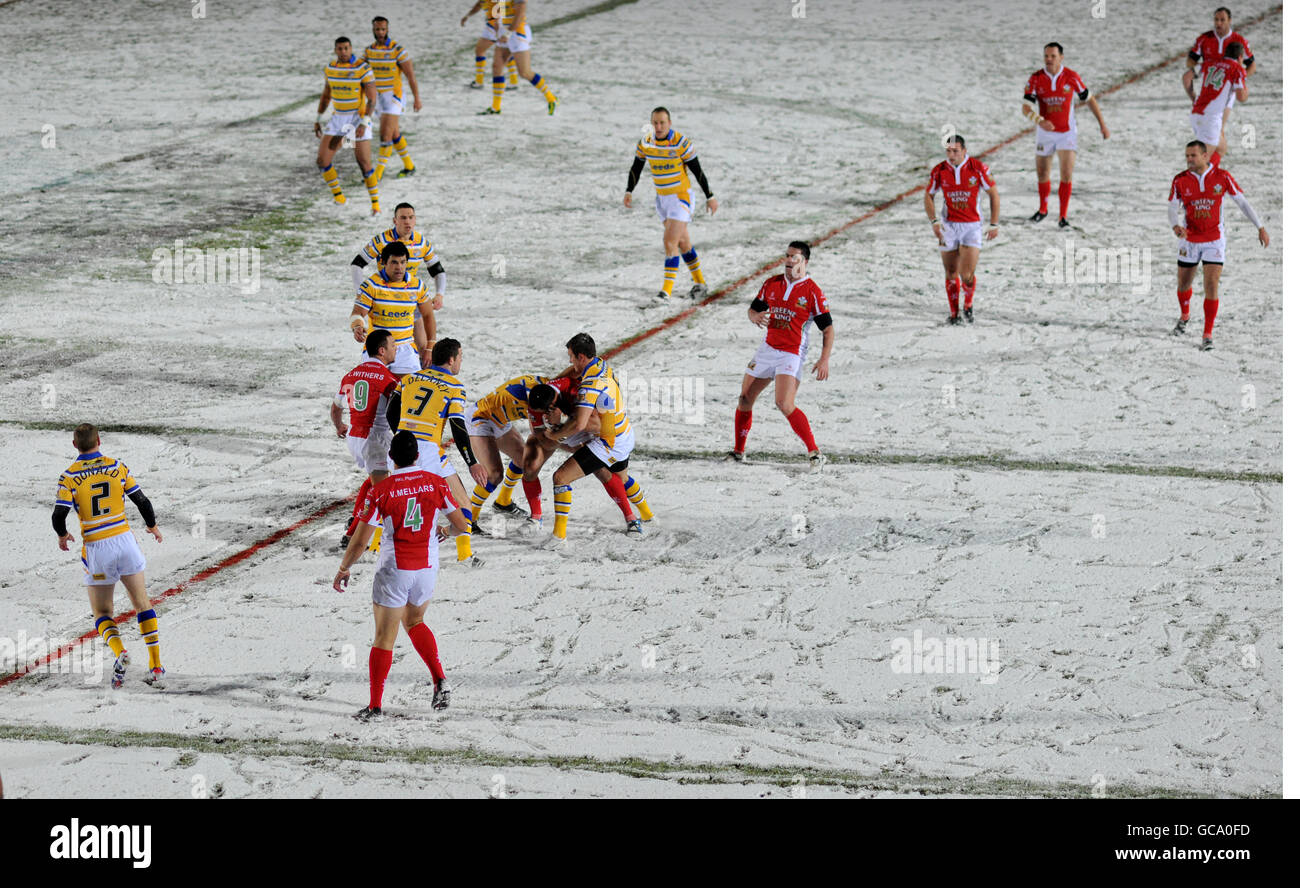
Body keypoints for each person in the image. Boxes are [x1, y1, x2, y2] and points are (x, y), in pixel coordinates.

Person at [335, 430, 468, 718]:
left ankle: (375, 706)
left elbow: (359, 541)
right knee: (416, 620)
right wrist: (446, 531)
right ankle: (439, 680)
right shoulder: (435, 483)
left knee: (384, 637)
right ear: (418, 456)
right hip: (427, 568)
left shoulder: (381, 490)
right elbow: (461, 524)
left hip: (395, 568)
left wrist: (344, 568)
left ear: (391, 458)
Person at [52, 424, 165, 688]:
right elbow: (143, 501)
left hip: (97, 548)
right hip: (125, 542)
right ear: (99, 441)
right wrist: (152, 525)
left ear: (74, 445)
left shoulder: (68, 477)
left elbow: (58, 515)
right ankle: (157, 666)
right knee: (142, 604)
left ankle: (120, 652)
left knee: (102, 612)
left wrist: (62, 534)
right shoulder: (118, 467)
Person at [729, 242, 832, 472]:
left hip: (791, 354)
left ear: (804, 261)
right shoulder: (772, 283)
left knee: (783, 403)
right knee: (744, 399)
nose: (788, 261)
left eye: (793, 257)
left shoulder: (812, 291)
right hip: (767, 349)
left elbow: (828, 329)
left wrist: (824, 359)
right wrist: (754, 316)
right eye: (786, 256)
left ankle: (815, 453)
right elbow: (754, 308)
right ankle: (738, 452)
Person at [386, 338, 490, 562]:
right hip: (428, 451)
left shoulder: (409, 378)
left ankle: (380, 546)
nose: (461, 361)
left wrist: (403, 438)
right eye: (460, 356)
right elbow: (458, 427)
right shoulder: (455, 387)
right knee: (454, 507)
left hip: (401, 447)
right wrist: (472, 462)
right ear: (451, 359)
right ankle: (458, 553)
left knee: (397, 503)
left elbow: (390, 413)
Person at [542, 334, 650, 544]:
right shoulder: (600, 364)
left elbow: (580, 424)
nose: (570, 361)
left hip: (609, 442)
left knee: (561, 478)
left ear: (582, 356)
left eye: (572, 356)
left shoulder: (589, 385)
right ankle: (646, 516)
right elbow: (571, 372)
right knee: (622, 479)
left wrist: (555, 432)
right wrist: (552, 384)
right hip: (624, 431)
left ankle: (558, 537)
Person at [1167, 140, 1268, 351]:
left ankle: (1207, 334)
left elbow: (1242, 202)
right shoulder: (1180, 180)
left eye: (1193, 156)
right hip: (1189, 240)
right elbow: (1172, 206)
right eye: (1187, 156)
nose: (1189, 160)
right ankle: (1185, 315)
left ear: (1205, 156)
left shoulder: (1222, 177)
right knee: (1184, 284)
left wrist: (1260, 226)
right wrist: (1176, 225)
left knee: (1211, 285)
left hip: (1214, 240)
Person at [624, 107, 719, 300]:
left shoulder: (681, 143)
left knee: (669, 242)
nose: (658, 127)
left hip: (680, 198)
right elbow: (636, 168)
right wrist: (629, 191)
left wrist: (710, 196)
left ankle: (665, 293)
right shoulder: (646, 143)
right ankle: (700, 283)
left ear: (669, 123)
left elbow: (697, 170)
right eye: (655, 123)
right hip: (662, 201)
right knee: (683, 243)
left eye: (662, 123)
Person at [1021, 42, 1110, 227]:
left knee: (1066, 174)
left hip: (1067, 133)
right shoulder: (1036, 78)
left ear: (1061, 57)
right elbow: (1026, 107)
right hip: (1044, 133)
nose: (1049, 60)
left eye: (1053, 56)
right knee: (1042, 173)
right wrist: (1039, 121)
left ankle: (1062, 216)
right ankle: (1043, 209)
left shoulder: (1071, 77)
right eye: (1046, 56)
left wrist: (1102, 124)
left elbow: (1089, 99)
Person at [332, 330, 400, 549]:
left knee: (375, 482)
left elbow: (335, 408)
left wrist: (340, 425)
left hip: (354, 436)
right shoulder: (389, 379)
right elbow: (396, 412)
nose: (396, 348)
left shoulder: (351, 374)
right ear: (382, 351)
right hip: (376, 440)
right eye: (393, 345)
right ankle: (351, 535)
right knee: (382, 492)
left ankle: (354, 518)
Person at [923, 135, 1000, 324]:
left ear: (964, 151)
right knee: (950, 272)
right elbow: (928, 195)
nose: (951, 155)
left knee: (966, 275)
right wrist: (934, 221)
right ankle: (954, 313)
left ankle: (968, 304)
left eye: (955, 151)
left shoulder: (978, 168)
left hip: (971, 227)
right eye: (948, 151)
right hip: (948, 227)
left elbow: (993, 195)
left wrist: (994, 223)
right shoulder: (940, 170)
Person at [464, 374, 548, 528]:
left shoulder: (546, 389)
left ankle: (503, 502)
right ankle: (469, 519)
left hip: (499, 419)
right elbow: (537, 432)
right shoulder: (537, 396)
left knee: (524, 461)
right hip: (480, 417)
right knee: (494, 475)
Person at [350, 203, 448, 328]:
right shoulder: (382, 241)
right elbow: (357, 264)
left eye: (411, 217)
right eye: (403, 218)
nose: (408, 221)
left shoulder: (421, 243)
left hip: (410, 297)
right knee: (387, 344)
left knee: (423, 345)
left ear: (415, 219)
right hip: (386, 300)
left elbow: (438, 270)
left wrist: (440, 294)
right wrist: (360, 293)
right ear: (395, 220)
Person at [314, 37, 381, 213]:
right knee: (322, 160)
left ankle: (375, 206)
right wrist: (318, 118)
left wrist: (364, 123)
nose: (343, 52)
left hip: (356, 119)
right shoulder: (330, 69)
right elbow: (326, 95)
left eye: (346, 48)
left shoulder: (362, 68)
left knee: (364, 163)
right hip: (338, 120)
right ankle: (340, 198)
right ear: (335, 50)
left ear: (351, 49)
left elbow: (372, 98)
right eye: (340, 49)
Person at [351, 241, 435, 375]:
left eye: (403, 262)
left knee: (408, 391)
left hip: (405, 349)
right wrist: (357, 326)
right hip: (376, 350)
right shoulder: (371, 285)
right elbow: (357, 313)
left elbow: (428, 316)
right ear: (384, 262)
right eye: (394, 262)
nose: (399, 267)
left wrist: (430, 347)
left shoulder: (417, 286)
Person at [476, 1, 557, 116]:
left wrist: (508, 33)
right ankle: (495, 107)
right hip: (504, 31)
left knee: (524, 72)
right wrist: (496, 25)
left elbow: (520, 13)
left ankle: (551, 98)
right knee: (497, 67)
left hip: (517, 33)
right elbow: (499, 9)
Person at [365, 16, 422, 181]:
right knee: (394, 132)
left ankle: (377, 175)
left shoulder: (398, 50)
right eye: (377, 29)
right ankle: (409, 166)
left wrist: (417, 98)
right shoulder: (369, 51)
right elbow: (360, 72)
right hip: (377, 98)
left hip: (394, 97)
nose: (380, 32)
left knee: (385, 135)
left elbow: (411, 76)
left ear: (387, 29)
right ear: (373, 30)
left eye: (383, 29)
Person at [1183, 5, 1256, 133]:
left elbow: (1252, 65)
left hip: (1228, 89)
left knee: (1217, 129)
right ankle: (1209, 150)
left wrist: (1240, 77)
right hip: (1209, 85)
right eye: (1216, 20)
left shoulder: (1239, 41)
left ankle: (1208, 150)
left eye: (1222, 20)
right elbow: (1190, 61)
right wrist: (1204, 68)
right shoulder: (1204, 39)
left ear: (1230, 21)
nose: (1218, 23)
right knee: (1212, 129)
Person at [1188, 43, 1248, 167]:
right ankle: (1190, 185)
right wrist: (1246, 90)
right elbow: (1241, 97)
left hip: (1196, 113)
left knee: (1221, 147)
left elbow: (1186, 77)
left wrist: (1193, 96)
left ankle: (1208, 180)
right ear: (1240, 57)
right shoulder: (1237, 69)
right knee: (1201, 165)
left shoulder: (1210, 63)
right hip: (1210, 118)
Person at [461, 0, 521, 90]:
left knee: (482, 50)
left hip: (496, 25)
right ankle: (513, 81)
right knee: (483, 50)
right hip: (493, 24)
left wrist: (497, 25)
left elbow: (499, 5)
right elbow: (479, 4)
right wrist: (468, 15)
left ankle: (479, 81)